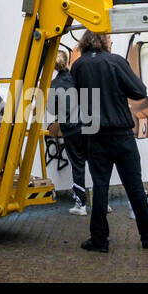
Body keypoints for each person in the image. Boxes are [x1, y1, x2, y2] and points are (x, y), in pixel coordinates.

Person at [70, 30, 148, 252]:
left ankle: (99, 240)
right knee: (134, 187)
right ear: (101, 39)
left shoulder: (79, 66)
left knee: (100, 188)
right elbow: (139, 91)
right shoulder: (115, 61)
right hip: (120, 134)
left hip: (94, 135)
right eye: (109, 38)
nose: (111, 40)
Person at [48, 48, 89, 215]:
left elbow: (51, 109)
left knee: (77, 165)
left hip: (71, 129)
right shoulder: (76, 77)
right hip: (86, 125)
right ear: (67, 61)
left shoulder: (54, 84)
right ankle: (103, 201)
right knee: (96, 163)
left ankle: (81, 205)